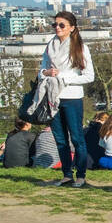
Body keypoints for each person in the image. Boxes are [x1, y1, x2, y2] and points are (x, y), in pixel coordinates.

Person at [40, 10, 95, 188]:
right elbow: (41, 71)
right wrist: (46, 73)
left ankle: (81, 175)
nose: (57, 28)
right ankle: (66, 174)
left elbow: (89, 76)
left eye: (61, 25)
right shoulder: (50, 45)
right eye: (55, 24)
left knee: (77, 138)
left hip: (72, 97)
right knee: (60, 139)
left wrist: (64, 77)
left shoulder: (80, 47)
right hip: (53, 97)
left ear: (72, 28)